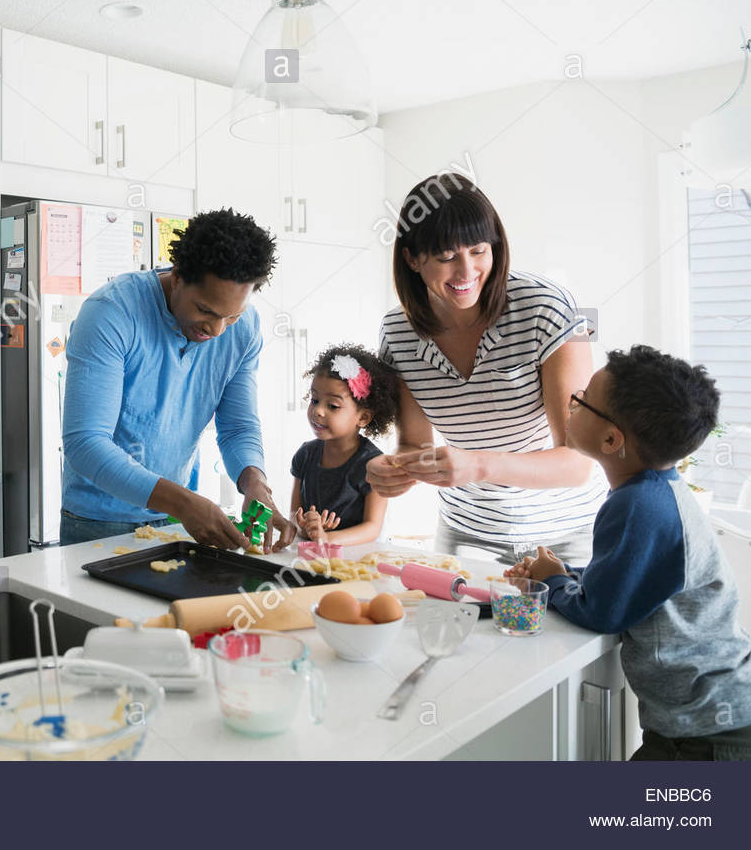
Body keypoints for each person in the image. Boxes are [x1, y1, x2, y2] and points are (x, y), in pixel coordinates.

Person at [508, 346, 751, 760]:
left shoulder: (639, 506)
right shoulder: (656, 492)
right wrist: (563, 573)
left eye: (581, 400)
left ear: (611, 439)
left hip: (709, 734)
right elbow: (628, 577)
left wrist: (553, 583)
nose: (570, 403)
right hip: (711, 721)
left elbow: (603, 612)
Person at [368, 174, 606, 565]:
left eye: (479, 250)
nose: (466, 272)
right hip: (466, 534)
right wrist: (395, 468)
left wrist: (477, 463)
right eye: (446, 257)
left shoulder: (545, 308)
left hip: (566, 534)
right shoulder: (397, 333)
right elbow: (415, 445)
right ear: (411, 258)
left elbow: (578, 461)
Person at [61, 209, 296, 551]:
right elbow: (86, 443)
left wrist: (255, 484)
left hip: (177, 520)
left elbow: (238, 428)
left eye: (231, 316)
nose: (216, 330)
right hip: (98, 523)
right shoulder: (111, 312)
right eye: (206, 311)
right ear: (179, 275)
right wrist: (183, 503)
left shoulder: (244, 329)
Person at [289, 344, 398, 546]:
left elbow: (372, 528)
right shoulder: (305, 455)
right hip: (313, 556)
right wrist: (305, 525)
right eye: (314, 400)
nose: (318, 411)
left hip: (358, 561)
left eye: (333, 406)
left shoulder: (375, 465)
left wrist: (327, 538)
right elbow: (295, 513)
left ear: (363, 417)